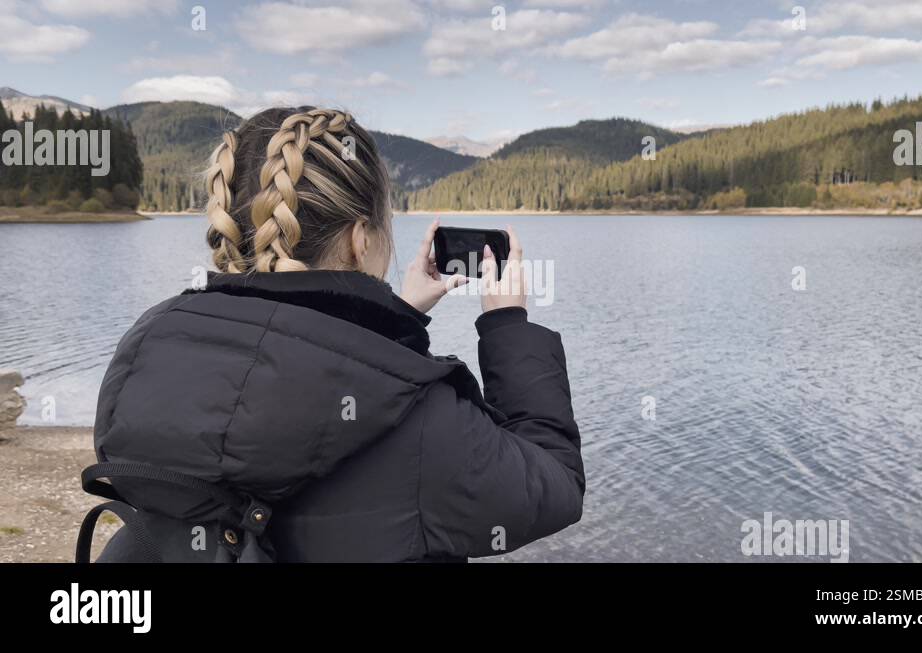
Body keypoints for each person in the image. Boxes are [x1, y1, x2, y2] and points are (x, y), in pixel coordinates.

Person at [89, 107, 585, 562]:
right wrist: (506, 326)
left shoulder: (146, 354)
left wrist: (400, 314)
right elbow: (555, 487)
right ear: (359, 238)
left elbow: (280, 361)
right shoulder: (423, 426)